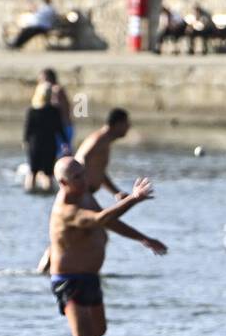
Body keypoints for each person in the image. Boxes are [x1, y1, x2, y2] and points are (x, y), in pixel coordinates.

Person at [47, 158, 167, 336]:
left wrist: (143, 238)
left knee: (98, 329)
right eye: (77, 177)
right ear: (63, 182)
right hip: (70, 281)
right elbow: (99, 219)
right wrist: (134, 198)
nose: (84, 180)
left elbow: (107, 220)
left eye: (83, 173)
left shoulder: (84, 196)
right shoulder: (65, 210)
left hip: (90, 277)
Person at [37, 109, 157, 273]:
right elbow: (81, 159)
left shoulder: (106, 141)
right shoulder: (99, 139)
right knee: (83, 228)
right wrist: (81, 182)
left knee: (87, 230)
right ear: (118, 124)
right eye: (126, 124)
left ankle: (48, 267)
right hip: (78, 193)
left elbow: (100, 173)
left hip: (83, 192)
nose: (129, 128)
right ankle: (47, 266)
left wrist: (115, 191)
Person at [23, 82, 62, 193]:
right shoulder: (54, 111)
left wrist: (25, 142)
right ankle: (47, 192)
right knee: (48, 173)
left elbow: (27, 130)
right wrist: (65, 142)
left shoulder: (32, 111)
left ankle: (30, 192)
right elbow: (59, 129)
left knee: (33, 171)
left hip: (35, 145)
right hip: (49, 144)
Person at [41, 68, 74, 157]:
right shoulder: (56, 89)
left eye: (43, 79)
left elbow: (55, 107)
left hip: (63, 127)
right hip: (64, 126)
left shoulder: (56, 90)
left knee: (63, 153)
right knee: (61, 152)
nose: (41, 82)